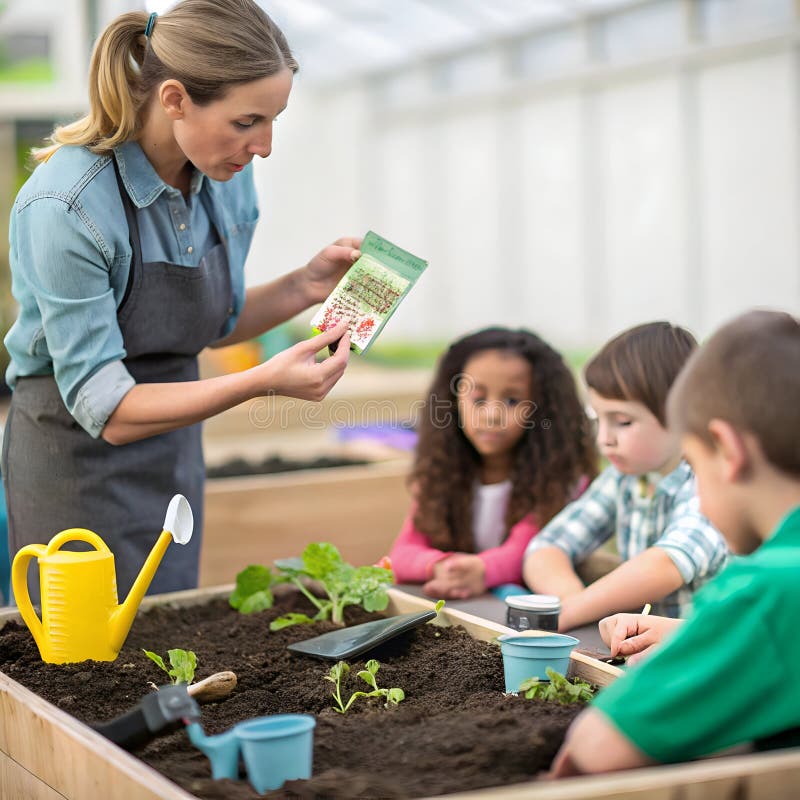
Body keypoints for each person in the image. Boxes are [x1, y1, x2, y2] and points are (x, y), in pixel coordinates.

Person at [1, 1, 358, 603]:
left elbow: (206, 324)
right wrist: (261, 382)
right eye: (246, 121)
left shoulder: (223, 175)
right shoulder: (67, 206)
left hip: (172, 451)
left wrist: (306, 285)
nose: (264, 146)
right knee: (78, 645)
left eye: (274, 119)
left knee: (169, 625)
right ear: (175, 100)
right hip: (76, 456)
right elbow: (107, 408)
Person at [552, 309, 800, 774]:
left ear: (727, 452)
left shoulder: (766, 588)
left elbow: (596, 748)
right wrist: (691, 633)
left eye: (696, 467)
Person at [522, 322, 728, 630]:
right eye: (598, 419)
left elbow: (666, 564)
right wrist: (572, 599)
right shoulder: (626, 478)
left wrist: (570, 613)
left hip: (710, 643)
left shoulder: (708, 483)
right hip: (644, 643)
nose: (604, 439)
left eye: (622, 421)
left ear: (682, 415)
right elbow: (546, 547)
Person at [388, 327, 598, 600]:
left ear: (543, 408)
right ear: (453, 401)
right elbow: (402, 553)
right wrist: (442, 566)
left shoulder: (560, 480)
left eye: (512, 400)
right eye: (478, 399)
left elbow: (525, 551)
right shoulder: (439, 472)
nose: (492, 415)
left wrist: (480, 571)